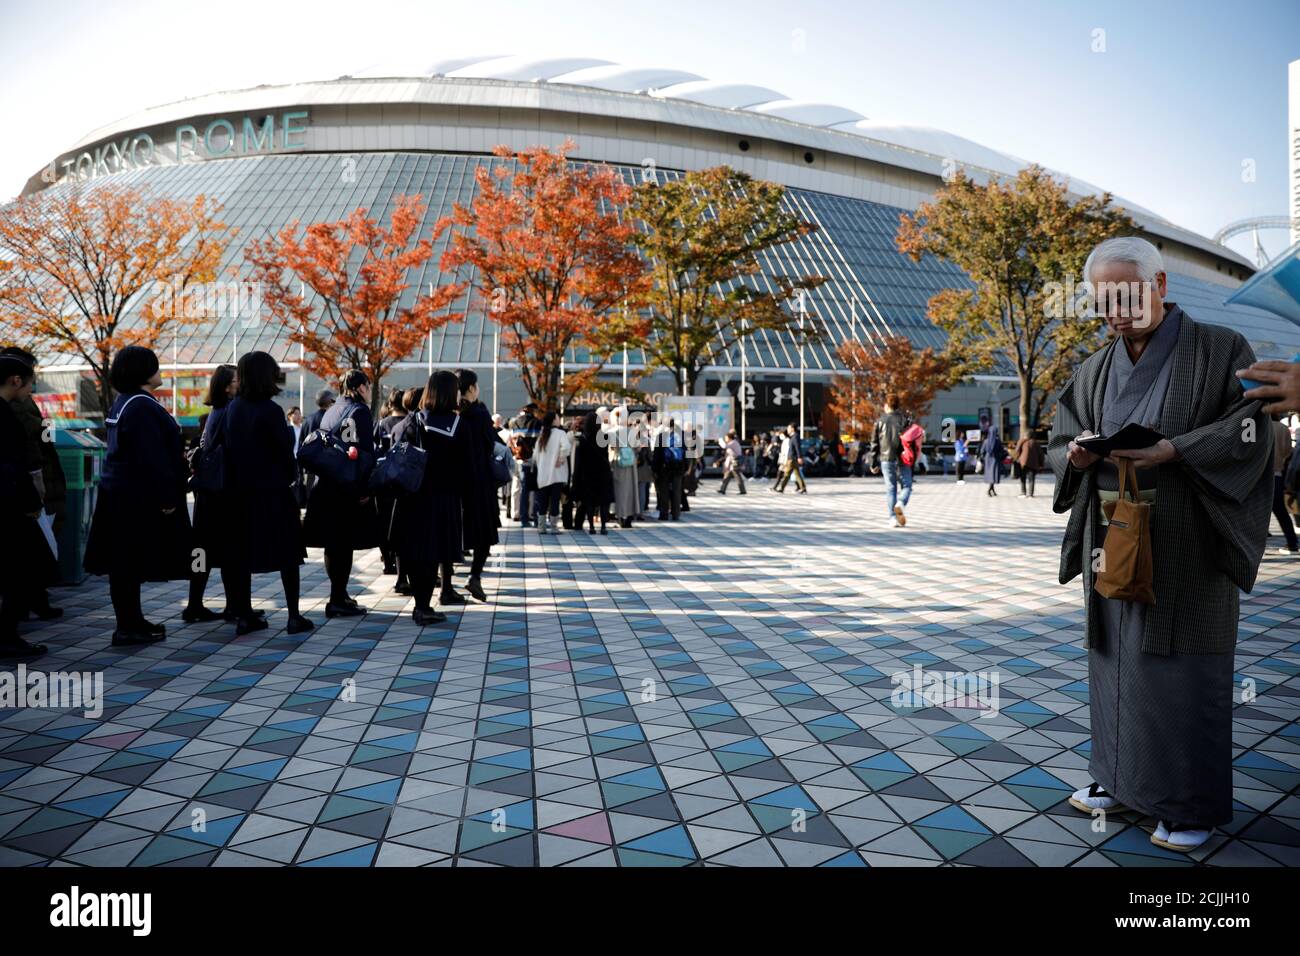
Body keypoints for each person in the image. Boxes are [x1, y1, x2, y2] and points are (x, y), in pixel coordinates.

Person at [1048, 235, 1273, 853]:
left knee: (1177, 668)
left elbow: (1253, 427)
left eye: (1128, 293)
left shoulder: (1221, 350)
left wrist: (1176, 449)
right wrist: (1072, 453)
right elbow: (1060, 435)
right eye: (1104, 298)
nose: (1116, 309)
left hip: (1186, 542)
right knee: (1112, 661)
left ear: (1161, 286)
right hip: (1110, 535)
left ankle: (1185, 802)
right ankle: (1116, 780)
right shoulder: (1094, 367)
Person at [84, 346, 192, 646]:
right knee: (129, 563)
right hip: (136, 498)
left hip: (120, 495)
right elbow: (151, 457)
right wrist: (168, 497)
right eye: (155, 366)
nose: (160, 371)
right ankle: (128, 626)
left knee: (125, 563)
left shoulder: (125, 402)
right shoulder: (143, 406)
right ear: (143, 370)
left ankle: (132, 620)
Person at [224, 352, 313, 635]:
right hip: (272, 493)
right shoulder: (271, 410)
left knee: (242, 555)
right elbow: (285, 455)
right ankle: (294, 616)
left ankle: (244, 615)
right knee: (287, 554)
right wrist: (291, 478)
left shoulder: (233, 408)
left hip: (239, 494)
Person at [392, 370, 470, 622]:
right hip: (442, 498)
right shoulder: (458, 425)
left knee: (417, 550)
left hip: (411, 496)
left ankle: (421, 604)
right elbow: (467, 466)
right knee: (434, 551)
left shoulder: (411, 420)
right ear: (450, 392)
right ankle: (423, 608)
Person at [302, 370, 380, 617]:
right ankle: (337, 599)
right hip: (347, 488)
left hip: (326, 485)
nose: (369, 391)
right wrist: (364, 488)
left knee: (333, 544)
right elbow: (359, 452)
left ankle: (340, 594)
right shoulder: (359, 412)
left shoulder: (332, 410)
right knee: (343, 544)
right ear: (359, 387)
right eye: (368, 386)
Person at [0, 354, 58, 659]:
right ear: (16, 380)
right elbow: (15, 464)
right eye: (31, 383)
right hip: (10, 505)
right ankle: (7, 635)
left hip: (9, 500)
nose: (31, 391)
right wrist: (31, 502)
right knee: (21, 568)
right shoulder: (7, 415)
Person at [183, 364, 237, 624]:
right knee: (228, 548)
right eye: (238, 380)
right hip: (222, 492)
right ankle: (233, 606)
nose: (242, 383)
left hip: (207, 491)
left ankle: (194, 604)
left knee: (202, 550)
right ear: (227, 386)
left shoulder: (214, 411)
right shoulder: (230, 411)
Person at [456, 369, 500, 601]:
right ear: (471, 388)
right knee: (483, 532)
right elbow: (491, 444)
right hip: (480, 481)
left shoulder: (451, 414)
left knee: (452, 531)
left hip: (454, 482)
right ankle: (475, 576)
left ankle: (445, 586)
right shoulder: (480, 415)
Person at [572, 411, 615, 534]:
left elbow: (579, 461)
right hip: (603, 473)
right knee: (603, 501)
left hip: (587, 474)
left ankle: (591, 526)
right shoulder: (604, 437)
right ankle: (603, 526)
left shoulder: (582, 439)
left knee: (589, 501)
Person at [532, 410, 571, 534]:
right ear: (554, 420)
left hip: (543, 473)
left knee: (542, 501)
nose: (559, 419)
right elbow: (566, 447)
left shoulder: (542, 434)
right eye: (558, 417)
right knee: (555, 501)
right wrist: (560, 459)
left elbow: (535, 455)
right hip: (557, 473)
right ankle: (554, 527)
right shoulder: (560, 433)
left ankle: (541, 527)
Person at [871, 397, 907, 522]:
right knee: (906, 485)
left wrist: (873, 463)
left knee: (891, 487)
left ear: (887, 405)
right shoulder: (904, 419)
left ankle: (893, 517)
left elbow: (874, 443)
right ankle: (901, 503)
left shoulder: (880, 421)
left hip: (886, 458)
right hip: (902, 458)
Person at [608, 406, 641, 526]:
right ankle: (630, 515)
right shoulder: (631, 431)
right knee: (631, 490)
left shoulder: (611, 432)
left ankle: (620, 515)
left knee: (619, 491)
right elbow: (637, 446)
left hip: (617, 462)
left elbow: (610, 448)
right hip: (630, 464)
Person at [1271, 413, 1298, 554]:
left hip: (1260, 476)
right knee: (1281, 512)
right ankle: (1292, 542)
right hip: (1278, 474)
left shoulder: (1261, 426)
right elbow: (1289, 452)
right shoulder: (1283, 428)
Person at [652, 418, 686, 520]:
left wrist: (655, 469)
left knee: (664, 491)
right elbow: (685, 452)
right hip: (678, 466)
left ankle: (664, 514)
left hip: (664, 467)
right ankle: (676, 514)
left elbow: (657, 454)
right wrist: (685, 467)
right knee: (676, 491)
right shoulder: (681, 436)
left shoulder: (661, 437)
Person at [772, 424, 807, 494]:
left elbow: (797, 447)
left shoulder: (795, 437)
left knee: (787, 474)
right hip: (791, 458)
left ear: (792, 428)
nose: (787, 429)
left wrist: (799, 457)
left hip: (792, 458)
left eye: (789, 428)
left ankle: (782, 488)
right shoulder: (792, 437)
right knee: (797, 474)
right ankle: (803, 488)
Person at [1015, 430, 1044, 498]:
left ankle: (1023, 492)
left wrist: (1017, 459)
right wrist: (1041, 464)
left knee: (1023, 478)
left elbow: (1017, 450)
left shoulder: (1022, 441)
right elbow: (1041, 454)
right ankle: (1030, 494)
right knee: (1031, 479)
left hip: (1023, 463)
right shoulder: (1036, 443)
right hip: (1033, 464)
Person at [718, 430, 747, 494]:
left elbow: (724, 446)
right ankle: (722, 489)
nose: (725, 439)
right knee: (727, 475)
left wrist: (720, 440)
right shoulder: (732, 442)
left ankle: (742, 490)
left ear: (729, 437)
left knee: (737, 475)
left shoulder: (733, 442)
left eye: (726, 438)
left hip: (735, 461)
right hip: (733, 461)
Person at [981, 426, 1005, 497]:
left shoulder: (986, 441)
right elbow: (1002, 450)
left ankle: (992, 489)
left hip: (988, 460)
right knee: (994, 474)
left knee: (990, 475)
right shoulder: (997, 441)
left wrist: (984, 458)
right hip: (995, 459)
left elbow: (982, 451)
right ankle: (990, 490)